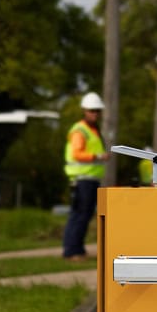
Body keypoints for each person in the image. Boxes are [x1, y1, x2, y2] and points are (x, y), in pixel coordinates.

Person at [62, 92, 109, 261]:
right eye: (92, 110)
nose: (95, 113)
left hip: (90, 179)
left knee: (84, 214)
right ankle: (72, 251)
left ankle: (77, 249)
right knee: (80, 214)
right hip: (82, 179)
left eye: (97, 110)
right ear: (84, 110)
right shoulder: (80, 130)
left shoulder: (92, 130)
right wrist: (98, 156)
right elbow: (76, 153)